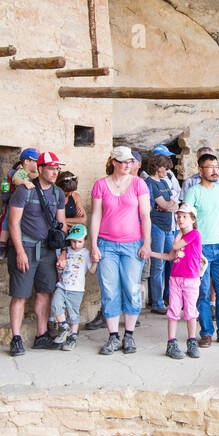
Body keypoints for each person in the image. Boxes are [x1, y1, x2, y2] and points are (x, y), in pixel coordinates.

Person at [89, 145, 151, 355]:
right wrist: (93, 245)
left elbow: (145, 216)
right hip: (107, 244)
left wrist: (147, 243)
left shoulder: (138, 184)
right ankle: (113, 336)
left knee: (132, 289)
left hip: (133, 244)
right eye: (124, 161)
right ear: (114, 162)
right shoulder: (100, 185)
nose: (128, 165)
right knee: (109, 290)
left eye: (130, 161)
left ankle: (130, 335)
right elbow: (96, 216)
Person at [6, 150, 66, 355]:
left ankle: (41, 336)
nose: (55, 172)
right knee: (20, 295)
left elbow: (61, 224)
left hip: (48, 250)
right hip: (27, 248)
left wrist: (63, 251)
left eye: (57, 168)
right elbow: (13, 222)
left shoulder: (57, 193)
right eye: (51, 168)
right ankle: (16, 338)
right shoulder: (25, 191)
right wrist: (20, 251)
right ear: (40, 169)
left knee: (44, 292)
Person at [184, 152, 219, 348]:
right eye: (210, 167)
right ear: (200, 170)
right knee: (201, 293)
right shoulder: (193, 192)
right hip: (200, 249)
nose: (215, 170)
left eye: (217, 167)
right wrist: (194, 245)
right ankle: (206, 332)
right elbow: (187, 221)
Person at [148, 203, 202, 359]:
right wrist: (151, 253)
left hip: (190, 279)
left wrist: (178, 233)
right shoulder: (180, 237)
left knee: (191, 312)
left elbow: (176, 245)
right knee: (174, 310)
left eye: (185, 217)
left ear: (193, 219)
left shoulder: (194, 234)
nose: (180, 219)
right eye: (178, 217)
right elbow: (170, 256)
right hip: (176, 278)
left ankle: (191, 341)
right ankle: (171, 342)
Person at [143, 154, 181, 314]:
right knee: (158, 265)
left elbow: (174, 203)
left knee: (173, 259)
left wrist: (168, 206)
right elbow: (165, 204)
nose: (167, 171)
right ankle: (157, 302)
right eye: (165, 167)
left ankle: (169, 297)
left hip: (168, 226)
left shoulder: (164, 182)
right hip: (156, 226)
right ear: (158, 167)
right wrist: (167, 206)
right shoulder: (150, 183)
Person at [51, 224, 94, 351]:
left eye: (79, 241)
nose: (76, 244)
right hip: (62, 286)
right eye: (73, 241)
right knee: (55, 305)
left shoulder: (86, 253)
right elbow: (59, 265)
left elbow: (91, 270)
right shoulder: (66, 251)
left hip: (76, 289)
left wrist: (96, 261)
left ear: (85, 241)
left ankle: (72, 337)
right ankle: (64, 327)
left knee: (73, 314)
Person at [0, 147, 39, 254]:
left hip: (29, 203)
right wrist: (24, 182)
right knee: (8, 218)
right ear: (27, 161)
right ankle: (2, 243)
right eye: (36, 161)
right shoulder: (20, 172)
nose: (38, 164)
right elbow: (16, 180)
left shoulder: (36, 173)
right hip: (16, 202)